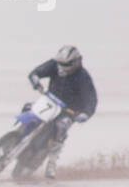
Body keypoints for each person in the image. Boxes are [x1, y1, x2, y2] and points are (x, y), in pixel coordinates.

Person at [28, 45, 97, 179]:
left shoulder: (83, 77)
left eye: (66, 64)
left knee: (61, 127)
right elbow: (36, 72)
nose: (62, 66)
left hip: (68, 110)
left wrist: (85, 114)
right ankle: (12, 139)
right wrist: (35, 81)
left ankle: (51, 164)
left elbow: (91, 99)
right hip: (49, 102)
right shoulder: (54, 65)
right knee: (28, 108)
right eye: (60, 63)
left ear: (76, 61)